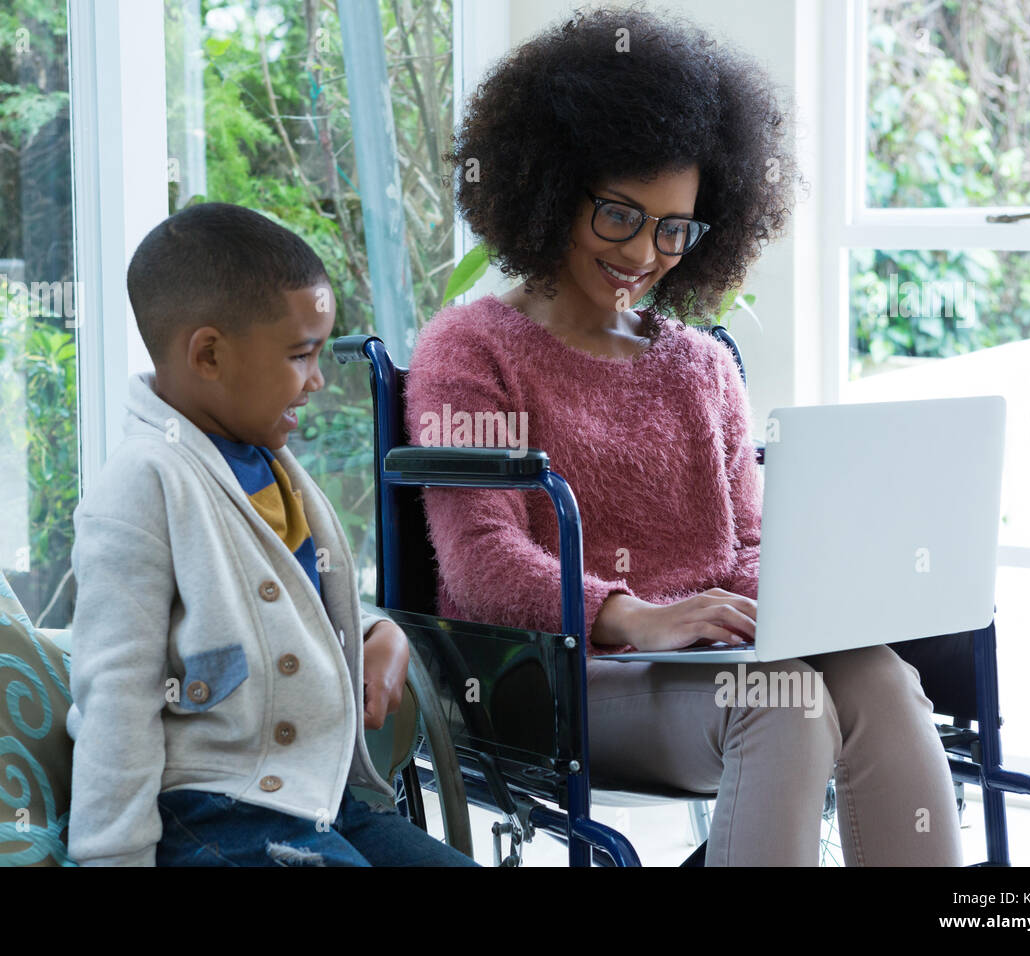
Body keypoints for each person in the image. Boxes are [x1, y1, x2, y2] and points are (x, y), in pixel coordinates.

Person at [403, 6, 962, 866]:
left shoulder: (700, 365)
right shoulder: (470, 349)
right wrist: (636, 616)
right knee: (784, 703)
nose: (647, 253)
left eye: (675, 229)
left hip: (701, 670)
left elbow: (744, 544)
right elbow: (484, 569)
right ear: (551, 187)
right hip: (555, 674)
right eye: (621, 216)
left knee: (880, 674)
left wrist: (790, 605)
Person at [65, 202, 476, 867]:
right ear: (209, 355)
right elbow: (116, 693)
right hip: (216, 813)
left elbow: (289, 595)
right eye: (300, 355)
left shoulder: (266, 462)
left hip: (321, 800)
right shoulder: (142, 484)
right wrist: (113, 859)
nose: (317, 380)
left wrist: (377, 631)